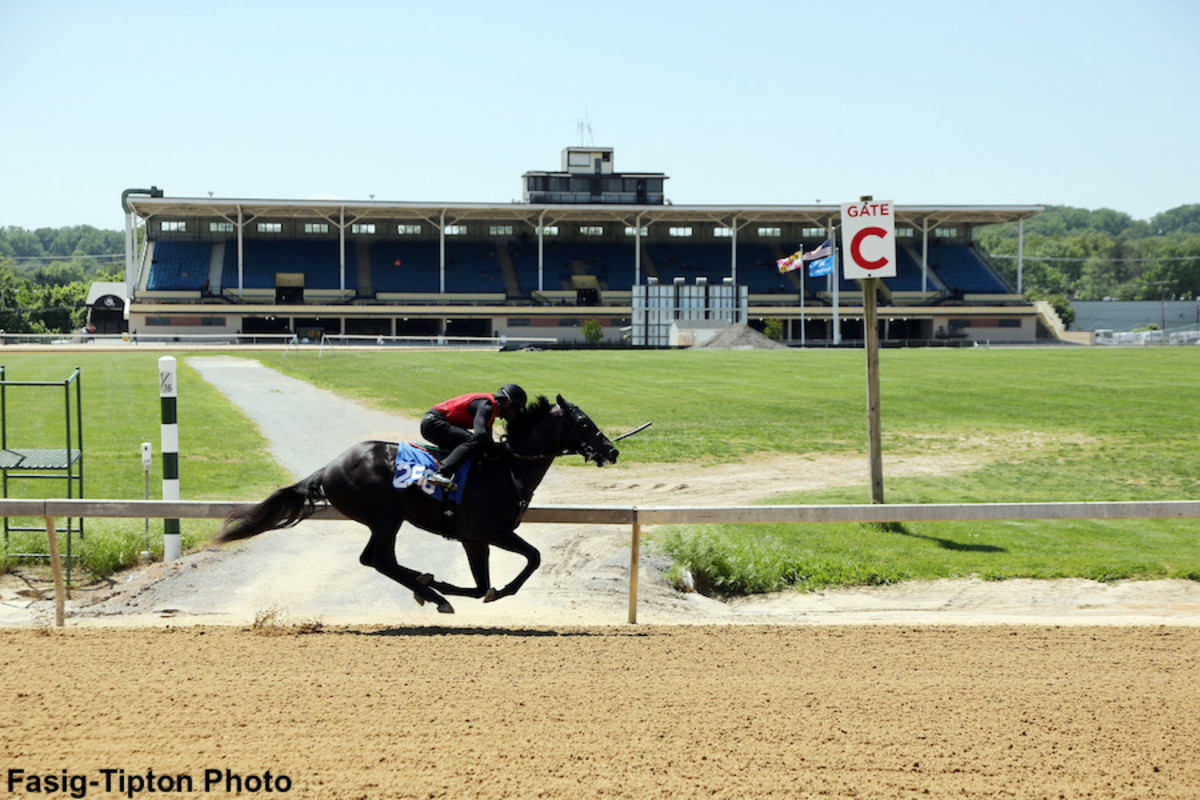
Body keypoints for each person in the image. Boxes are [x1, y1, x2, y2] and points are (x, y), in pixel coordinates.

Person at [420, 383, 527, 487]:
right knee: (473, 441)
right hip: (432, 424)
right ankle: (441, 473)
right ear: (507, 403)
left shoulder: (490, 411)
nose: (514, 414)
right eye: (515, 409)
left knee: (478, 446)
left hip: (436, 424)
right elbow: (480, 435)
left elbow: (487, 444)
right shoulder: (487, 405)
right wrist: (502, 448)